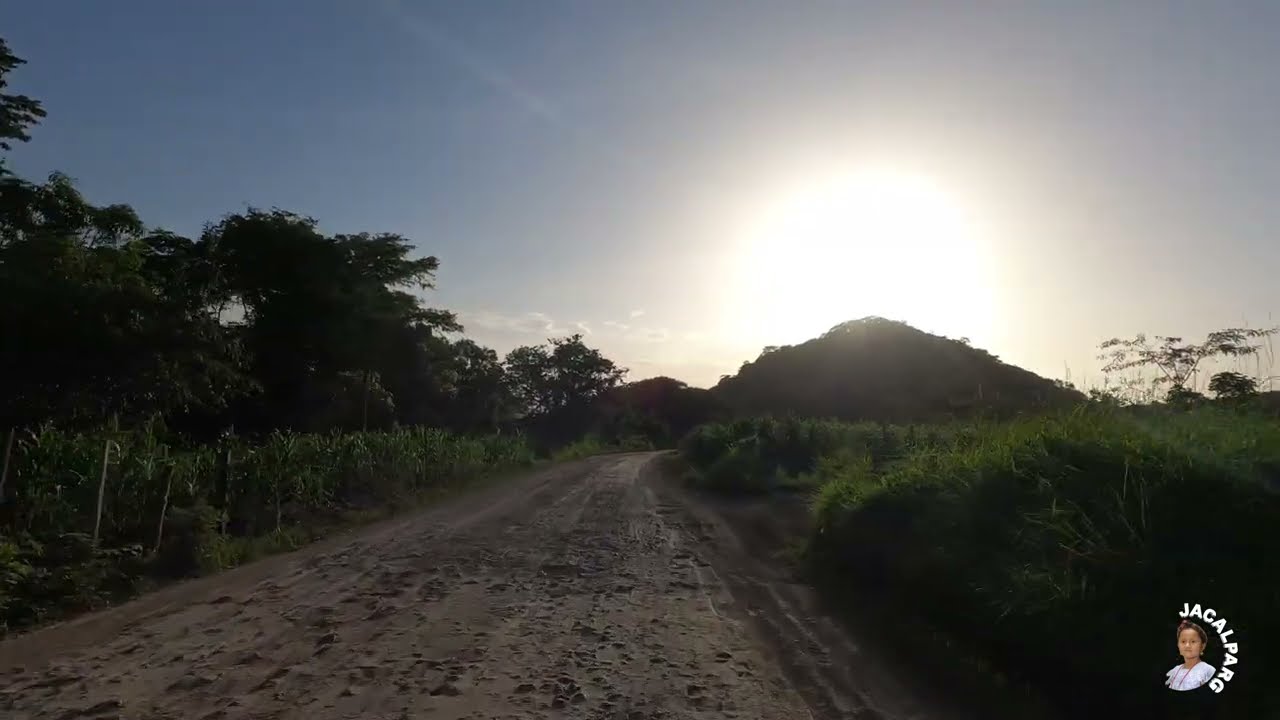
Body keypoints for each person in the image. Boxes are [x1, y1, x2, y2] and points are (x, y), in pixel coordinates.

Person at [1166, 619, 1216, 691]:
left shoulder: (1207, 670)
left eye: (1193, 641)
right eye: (1183, 641)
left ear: (1202, 646)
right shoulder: (1175, 670)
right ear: (1178, 645)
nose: (1187, 645)